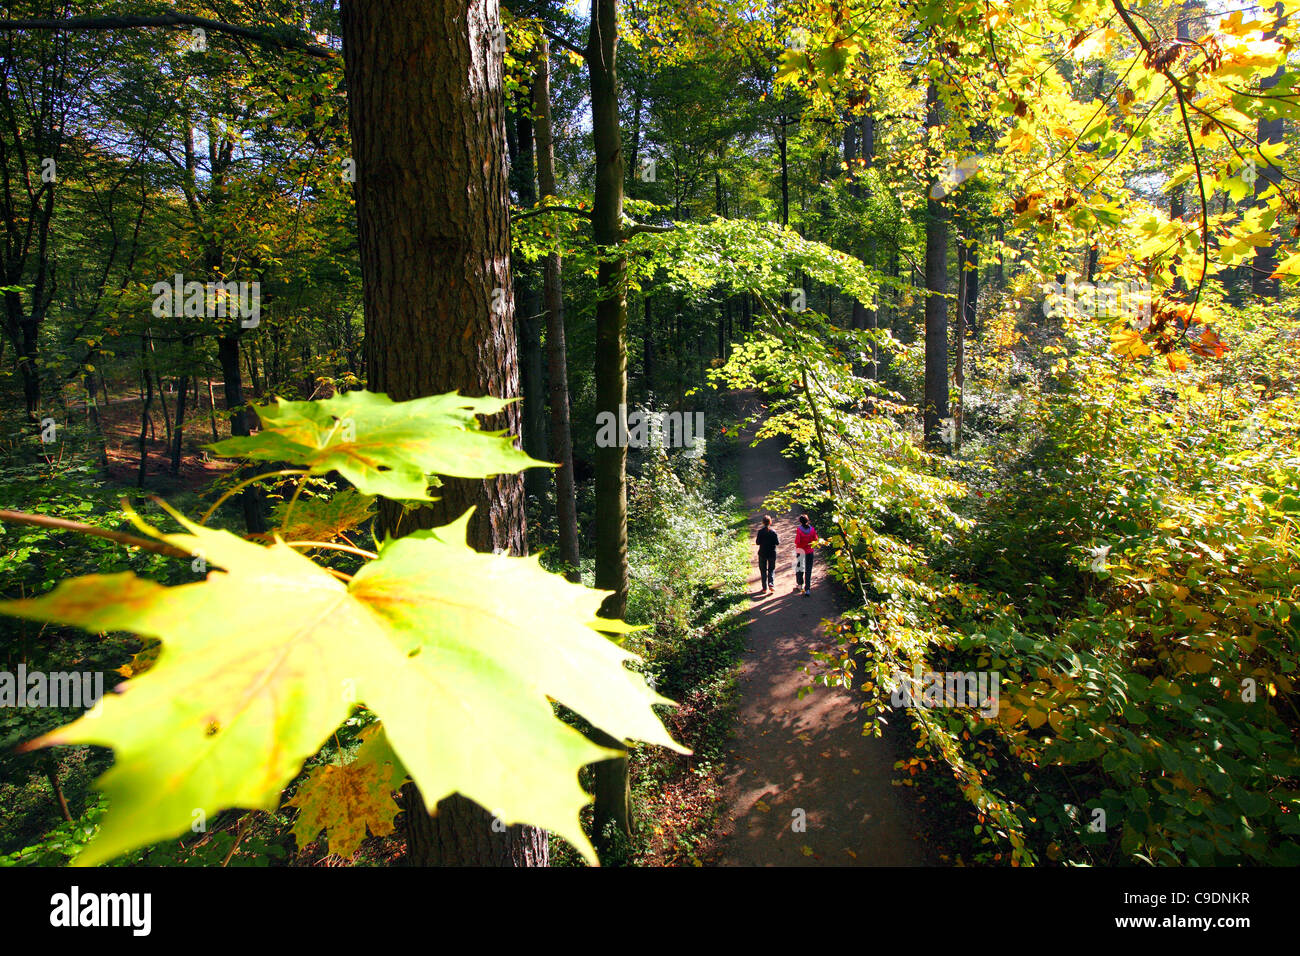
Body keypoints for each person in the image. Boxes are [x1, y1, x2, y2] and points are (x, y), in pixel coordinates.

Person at [794, 514, 818, 596]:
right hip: (809, 552)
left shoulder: (799, 530)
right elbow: (816, 539)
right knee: (808, 570)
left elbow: (797, 541)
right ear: (807, 520)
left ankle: (800, 585)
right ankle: (807, 589)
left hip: (801, 551)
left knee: (800, 568)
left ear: (800, 521)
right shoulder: (812, 529)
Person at [755, 515, 779, 594]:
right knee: (771, 569)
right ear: (770, 522)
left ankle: (764, 588)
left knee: (763, 570)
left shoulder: (760, 532)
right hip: (772, 553)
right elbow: (777, 543)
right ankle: (771, 584)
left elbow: (757, 542)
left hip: (762, 553)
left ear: (763, 522)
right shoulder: (773, 532)